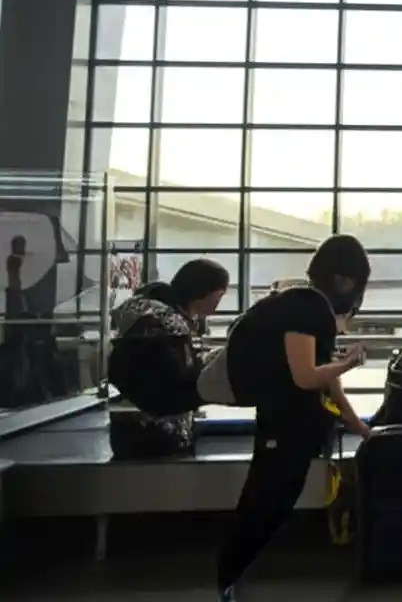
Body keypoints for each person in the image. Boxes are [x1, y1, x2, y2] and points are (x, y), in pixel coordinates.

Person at [216, 235, 374, 602]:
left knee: (274, 499)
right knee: (266, 500)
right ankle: (227, 574)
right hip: (284, 422)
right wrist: (350, 362)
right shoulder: (308, 309)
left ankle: (231, 572)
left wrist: (359, 426)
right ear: (345, 279)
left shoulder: (306, 305)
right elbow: (306, 376)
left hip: (289, 422)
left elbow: (325, 378)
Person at [109, 259, 229, 457]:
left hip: (128, 428)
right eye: (219, 295)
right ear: (202, 292)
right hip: (160, 434)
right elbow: (177, 383)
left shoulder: (146, 315)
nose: (219, 301)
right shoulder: (170, 325)